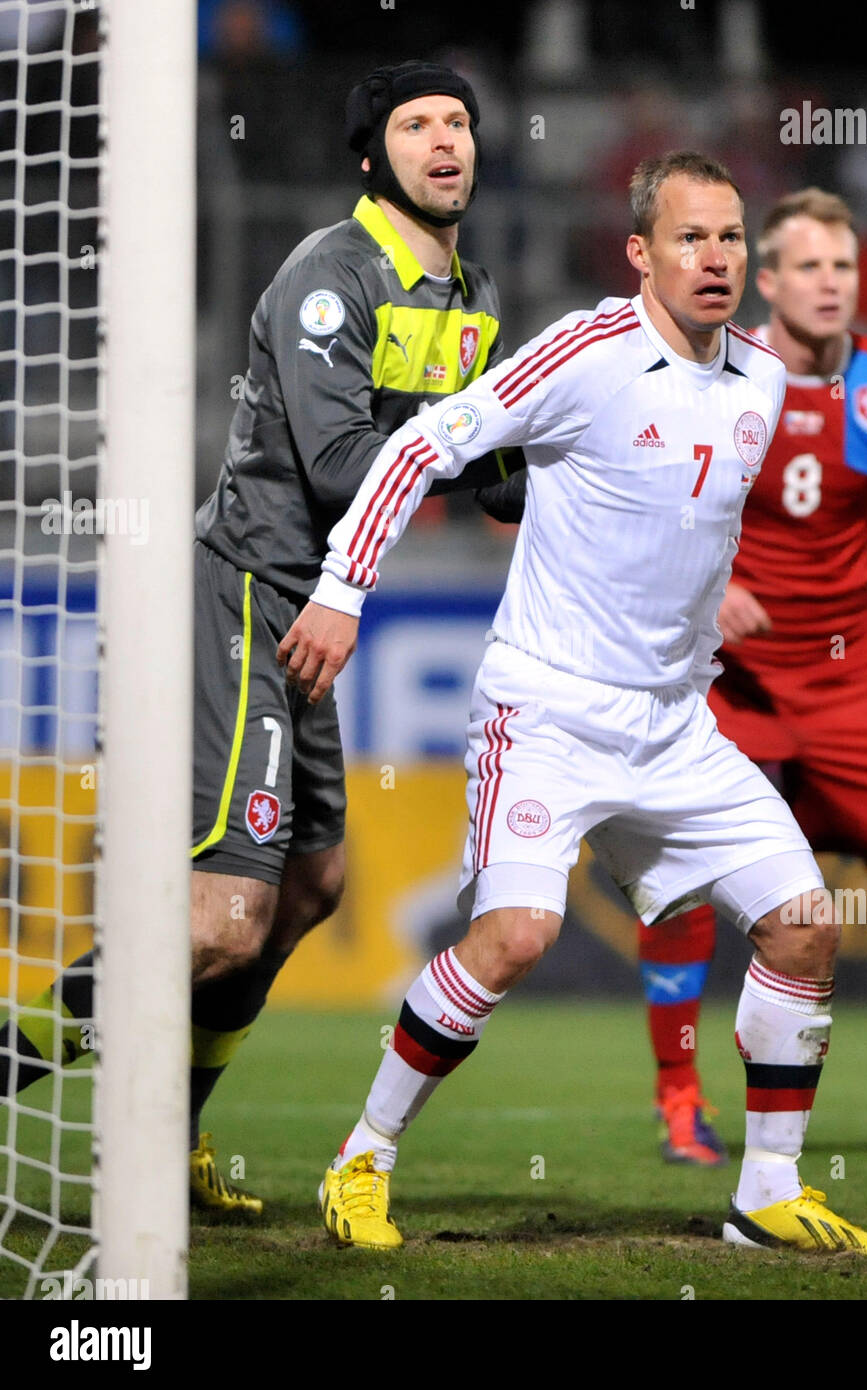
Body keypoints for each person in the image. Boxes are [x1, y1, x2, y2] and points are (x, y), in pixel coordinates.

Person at [280, 152, 867, 1257]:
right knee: (516, 936)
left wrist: (716, 605)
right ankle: (361, 1161)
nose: (711, 259)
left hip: (673, 726)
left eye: (726, 240)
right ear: (640, 253)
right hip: (549, 712)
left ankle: (764, 1191)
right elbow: (425, 442)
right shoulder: (587, 352)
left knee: (806, 930)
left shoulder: (760, 378)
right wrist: (340, 592)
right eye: (687, 239)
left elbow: (685, 518)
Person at [0, 60, 518, 1213]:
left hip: (319, 608)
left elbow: (489, 480)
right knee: (225, 920)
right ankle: (14, 1063)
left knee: (311, 886)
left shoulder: (471, 297)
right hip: (249, 592)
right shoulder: (329, 279)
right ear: (370, 156)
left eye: (460, 123)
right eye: (416, 124)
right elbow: (342, 467)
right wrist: (471, 448)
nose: (446, 141)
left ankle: (170, 1140)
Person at [635, 187, 867, 1168]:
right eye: (808, 266)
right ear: (769, 280)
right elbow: (634, 500)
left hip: (849, 682)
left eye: (843, 267)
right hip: (726, 685)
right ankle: (680, 1098)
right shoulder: (713, 375)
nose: (830, 284)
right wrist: (701, 590)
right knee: (680, 891)